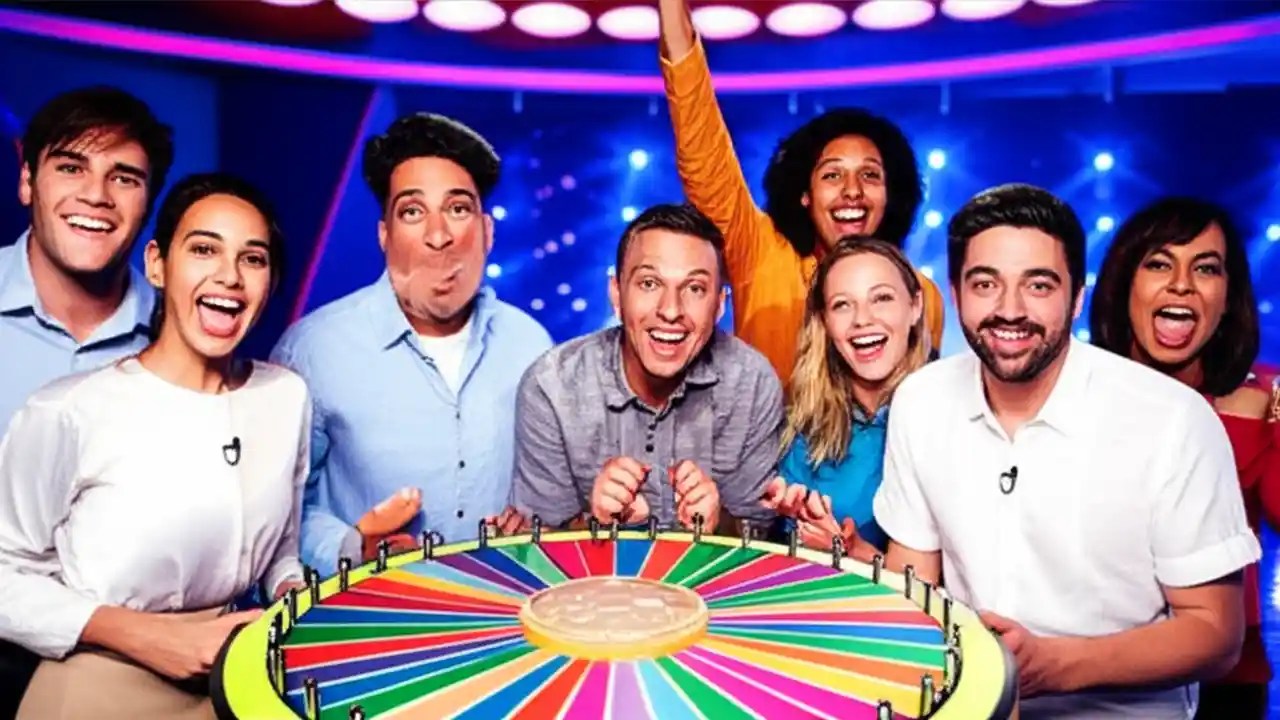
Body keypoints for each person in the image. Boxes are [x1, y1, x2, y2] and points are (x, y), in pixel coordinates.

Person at [871, 184, 1260, 718]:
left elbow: (1216, 635)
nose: (1010, 310)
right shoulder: (920, 400)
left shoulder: (1173, 419)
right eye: (986, 284)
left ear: (1076, 296)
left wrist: (1053, 665)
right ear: (956, 295)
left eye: (1039, 285)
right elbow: (912, 588)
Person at [0, 173, 307, 720]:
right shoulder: (69, 410)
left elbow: (280, 549)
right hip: (99, 684)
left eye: (253, 259)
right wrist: (146, 637)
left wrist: (291, 595)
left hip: (241, 678)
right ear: (158, 263)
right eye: (204, 249)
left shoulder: (286, 395)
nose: (229, 276)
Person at [271, 112, 551, 577]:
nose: (439, 236)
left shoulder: (531, 345)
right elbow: (278, 514)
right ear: (385, 235)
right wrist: (352, 546)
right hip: (373, 624)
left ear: (487, 231)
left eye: (458, 209)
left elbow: (551, 489)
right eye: (413, 212)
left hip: (505, 616)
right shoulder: (314, 350)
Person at [655, 0, 944, 384]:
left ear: (892, 194)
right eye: (832, 176)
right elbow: (702, 151)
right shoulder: (762, 255)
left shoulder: (921, 295)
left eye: (870, 176)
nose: (853, 191)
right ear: (803, 193)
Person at [1089, 197, 1279, 719]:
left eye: (1206, 268)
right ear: (1124, 283)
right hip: (1096, 673)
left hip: (1228, 681)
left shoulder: (1261, 400)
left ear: (1227, 299)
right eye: (1158, 263)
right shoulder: (1072, 396)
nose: (1181, 284)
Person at [511, 203, 782, 534]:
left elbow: (760, 544)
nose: (670, 310)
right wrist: (592, 525)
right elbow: (534, 545)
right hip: (591, 585)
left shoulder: (752, 383)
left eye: (695, 288)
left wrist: (719, 522)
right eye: (649, 284)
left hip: (711, 585)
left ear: (719, 306)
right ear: (617, 293)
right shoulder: (551, 387)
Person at [0, 86, 174, 429]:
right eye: (71, 169)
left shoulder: (181, 336)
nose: (96, 196)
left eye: (124, 179)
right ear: (27, 181)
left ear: (149, 203)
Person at [760, 236, 928, 558]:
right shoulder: (804, 428)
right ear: (824, 321)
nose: (862, 319)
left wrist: (851, 550)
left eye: (881, 298)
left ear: (915, 306)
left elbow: (953, 592)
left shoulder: (952, 417)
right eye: (842, 304)